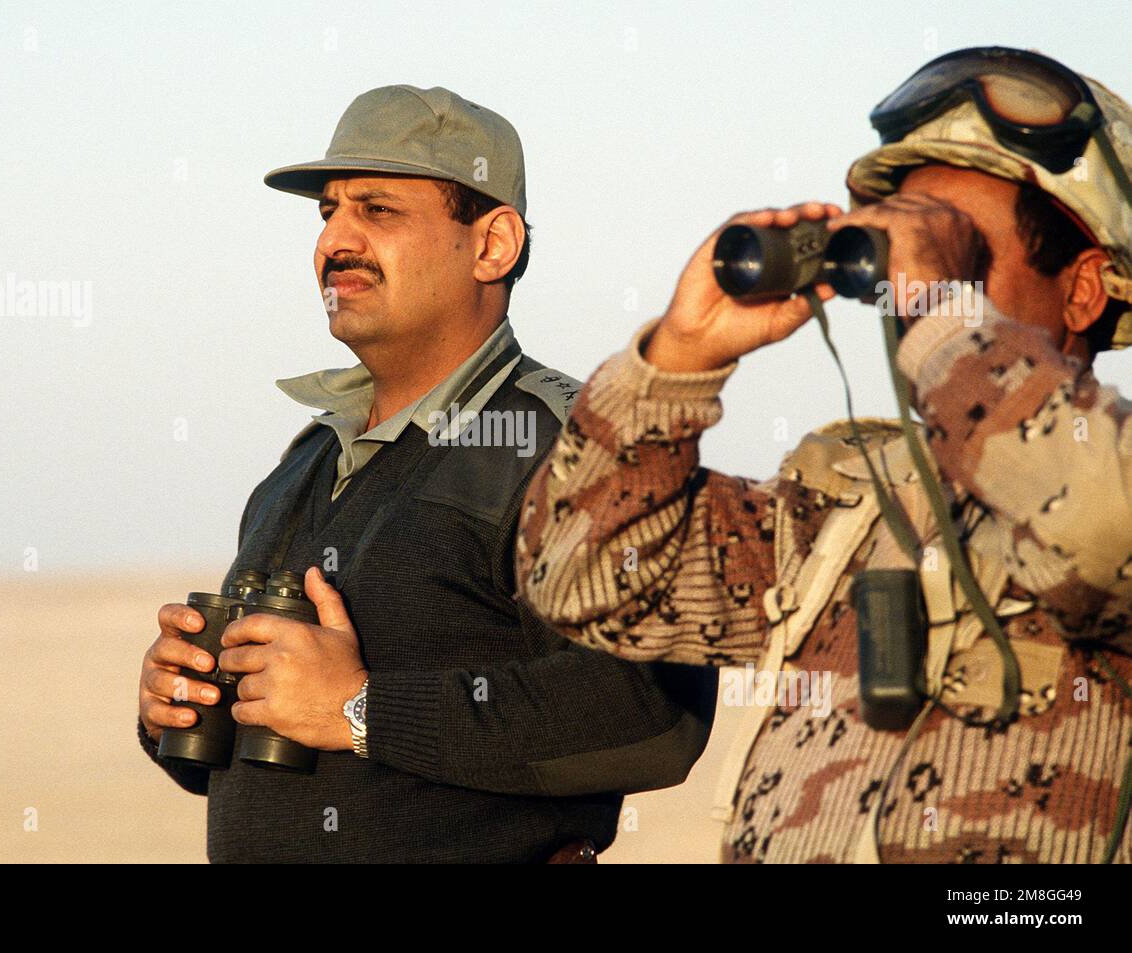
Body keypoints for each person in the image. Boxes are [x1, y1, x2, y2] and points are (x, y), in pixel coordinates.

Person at [516, 47, 1132, 863]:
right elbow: (579, 579)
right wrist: (678, 358)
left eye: (957, 251)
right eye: (903, 244)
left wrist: (941, 308)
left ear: (1084, 290)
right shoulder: (839, 515)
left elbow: (1100, 521)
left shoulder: (1107, 479)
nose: (914, 275)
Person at [136, 84, 711, 863]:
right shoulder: (305, 462)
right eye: (327, 211)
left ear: (492, 245)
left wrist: (363, 707)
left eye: (377, 210)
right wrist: (181, 706)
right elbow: (293, 761)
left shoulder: (577, 450)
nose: (334, 239)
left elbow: (650, 713)